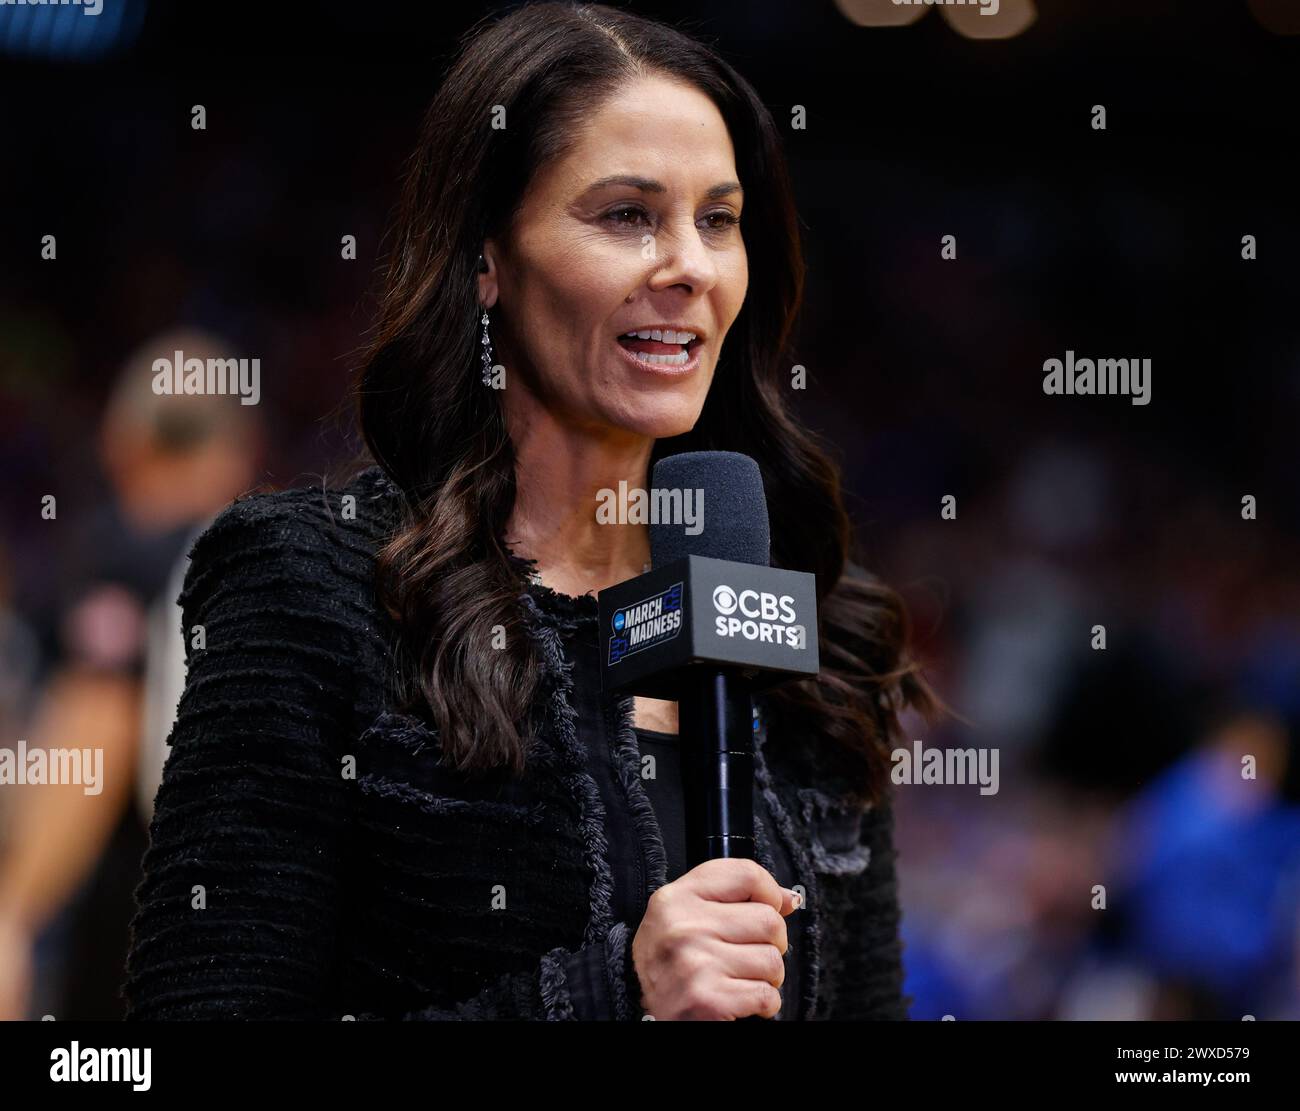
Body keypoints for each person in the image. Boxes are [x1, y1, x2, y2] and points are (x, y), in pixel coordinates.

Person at [122, 1, 941, 1021]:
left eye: (718, 219)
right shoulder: (316, 591)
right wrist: (608, 995)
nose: (688, 264)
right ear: (485, 260)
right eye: (626, 215)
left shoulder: (822, 635)